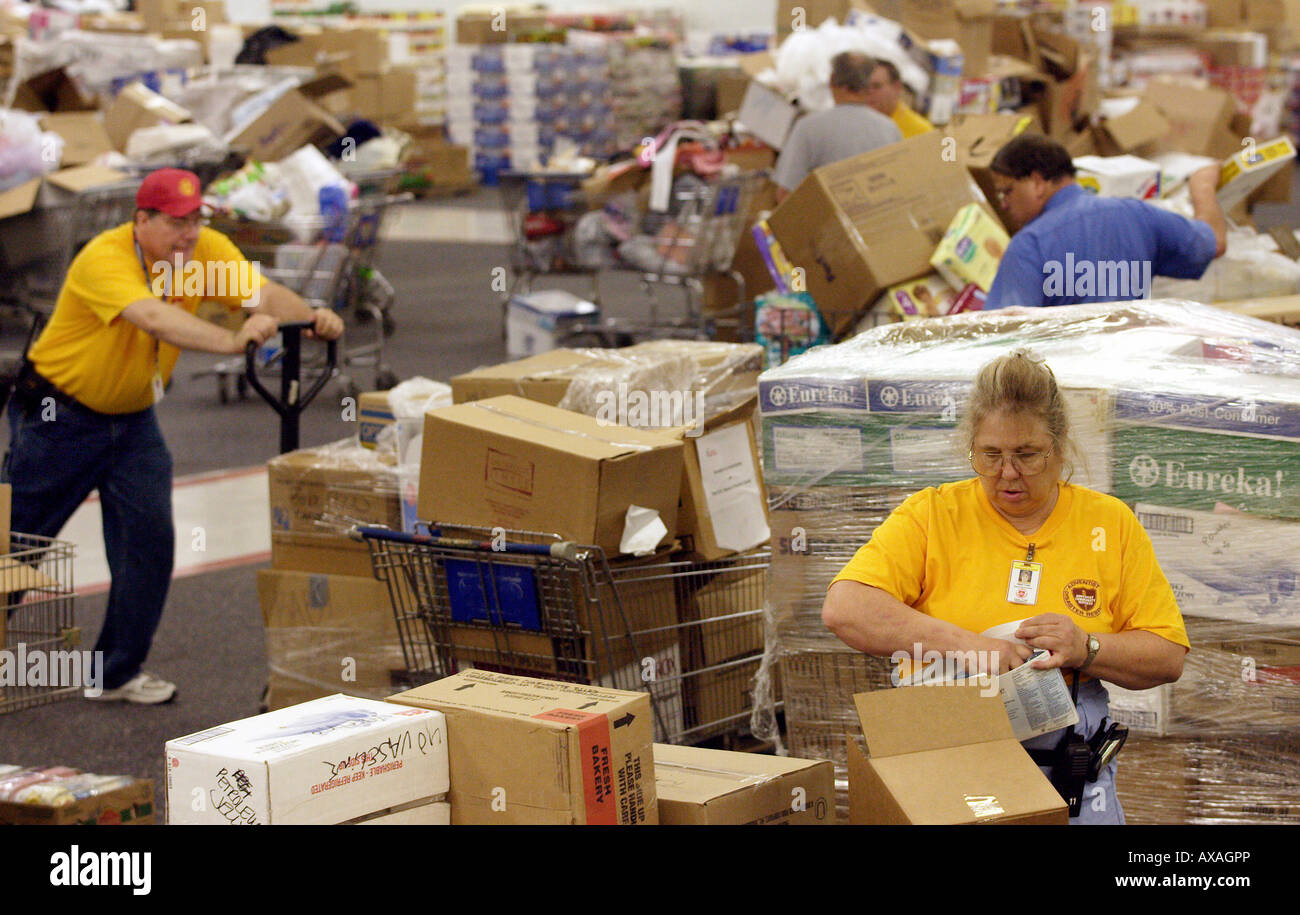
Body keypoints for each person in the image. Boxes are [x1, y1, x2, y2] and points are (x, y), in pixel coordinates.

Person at [2, 168, 345, 704]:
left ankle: (114, 673)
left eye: (194, 221)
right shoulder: (104, 258)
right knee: (17, 545)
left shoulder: (204, 251)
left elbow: (260, 292)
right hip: (57, 416)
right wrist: (233, 343)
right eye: (176, 223)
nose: (189, 234)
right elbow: (154, 318)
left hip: (134, 419)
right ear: (142, 220)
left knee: (150, 541)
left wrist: (314, 317)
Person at [821, 350, 1189, 824]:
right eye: (989, 455)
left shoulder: (1109, 524)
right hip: (952, 778)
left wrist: (1086, 646)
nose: (1007, 473)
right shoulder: (932, 515)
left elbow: (1168, 655)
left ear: (1059, 448)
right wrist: (974, 648)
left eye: (1027, 455)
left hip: (1070, 786)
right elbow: (845, 607)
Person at [984, 133, 1226, 309]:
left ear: (1038, 183)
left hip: (1063, 377)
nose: (1003, 204)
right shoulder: (1137, 215)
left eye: (1007, 192)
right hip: (1132, 371)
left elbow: (1003, 340)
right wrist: (1202, 186)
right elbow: (1214, 242)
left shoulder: (1029, 245)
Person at [773, 51, 903, 203]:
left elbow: (786, 193)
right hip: (874, 222)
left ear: (832, 81)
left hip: (827, 223)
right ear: (867, 85)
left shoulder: (808, 127)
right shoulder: (890, 129)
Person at [862, 59, 934, 139]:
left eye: (876, 86)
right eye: (864, 87)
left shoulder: (922, 133)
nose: (868, 92)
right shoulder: (855, 124)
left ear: (897, 87)